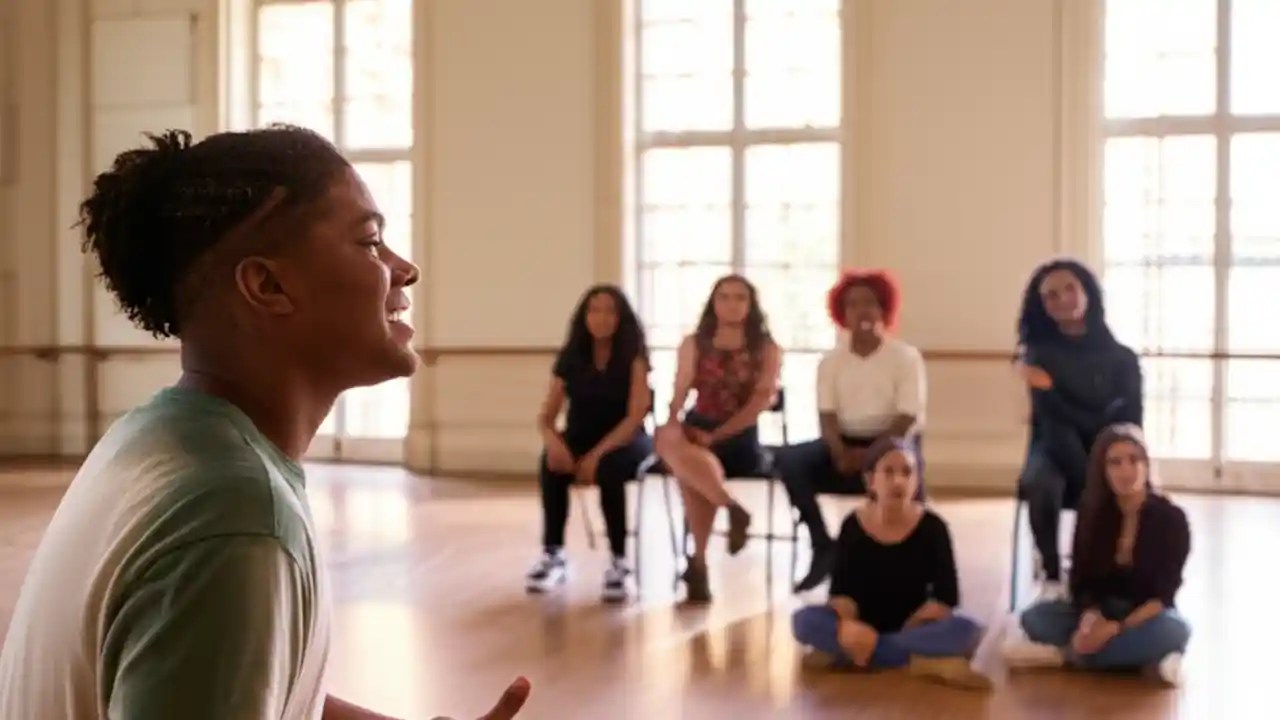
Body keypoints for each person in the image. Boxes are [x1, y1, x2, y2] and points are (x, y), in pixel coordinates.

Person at [0, 127, 529, 720]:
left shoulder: (158, 436)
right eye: (370, 242)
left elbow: (229, 680)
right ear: (267, 285)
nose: (404, 269)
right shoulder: (234, 515)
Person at [790, 437, 991, 690]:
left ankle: (853, 654)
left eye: (907, 473)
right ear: (870, 480)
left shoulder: (933, 528)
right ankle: (920, 662)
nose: (898, 481)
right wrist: (848, 627)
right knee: (802, 620)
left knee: (967, 629)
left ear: (917, 481)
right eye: (889, 472)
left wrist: (909, 629)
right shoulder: (853, 525)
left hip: (913, 629)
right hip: (861, 625)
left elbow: (946, 599)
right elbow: (841, 594)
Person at [1002, 424, 1190, 686]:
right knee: (1033, 618)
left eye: (1134, 460)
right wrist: (1091, 620)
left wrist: (1115, 629)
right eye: (1115, 463)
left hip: (1143, 614)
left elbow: (1163, 595)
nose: (1126, 470)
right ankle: (1139, 660)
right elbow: (1082, 583)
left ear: (1146, 465)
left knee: (1176, 630)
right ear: (1103, 471)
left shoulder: (1172, 519)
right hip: (1101, 609)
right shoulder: (1091, 514)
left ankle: (1070, 656)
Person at [777, 269, 927, 592]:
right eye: (853, 304)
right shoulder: (831, 362)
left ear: (884, 309)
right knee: (788, 460)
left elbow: (906, 416)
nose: (862, 311)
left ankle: (903, 566)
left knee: (901, 467)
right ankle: (822, 545)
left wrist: (873, 455)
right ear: (841, 313)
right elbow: (827, 416)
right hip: (843, 443)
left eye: (870, 303)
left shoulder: (905, 357)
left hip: (892, 442)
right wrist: (838, 451)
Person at [1015, 258, 1143, 601]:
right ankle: (1053, 575)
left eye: (1070, 288)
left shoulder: (1123, 358)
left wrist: (1051, 391)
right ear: (1041, 307)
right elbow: (1053, 424)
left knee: (1129, 476)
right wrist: (1088, 476)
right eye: (1050, 295)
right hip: (1054, 450)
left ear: (1088, 292)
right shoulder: (1037, 355)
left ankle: (1111, 570)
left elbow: (1130, 425)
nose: (1062, 299)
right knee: (1041, 484)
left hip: (1111, 450)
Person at [654, 274, 780, 603]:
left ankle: (698, 565)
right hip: (699, 426)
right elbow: (680, 389)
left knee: (691, 472)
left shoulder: (766, 348)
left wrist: (718, 435)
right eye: (724, 297)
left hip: (739, 435)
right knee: (670, 442)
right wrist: (672, 422)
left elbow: (759, 403)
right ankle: (730, 508)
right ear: (713, 302)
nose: (731, 304)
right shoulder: (695, 342)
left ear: (751, 305)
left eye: (740, 297)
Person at [527, 284, 653, 601]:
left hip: (627, 439)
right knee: (550, 464)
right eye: (594, 310)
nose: (601, 317)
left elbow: (636, 416)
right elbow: (546, 416)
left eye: (610, 310)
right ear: (584, 316)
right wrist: (554, 443)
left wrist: (596, 455)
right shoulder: (571, 357)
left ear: (621, 317)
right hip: (580, 434)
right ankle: (553, 553)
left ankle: (620, 562)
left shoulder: (633, 357)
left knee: (609, 470)